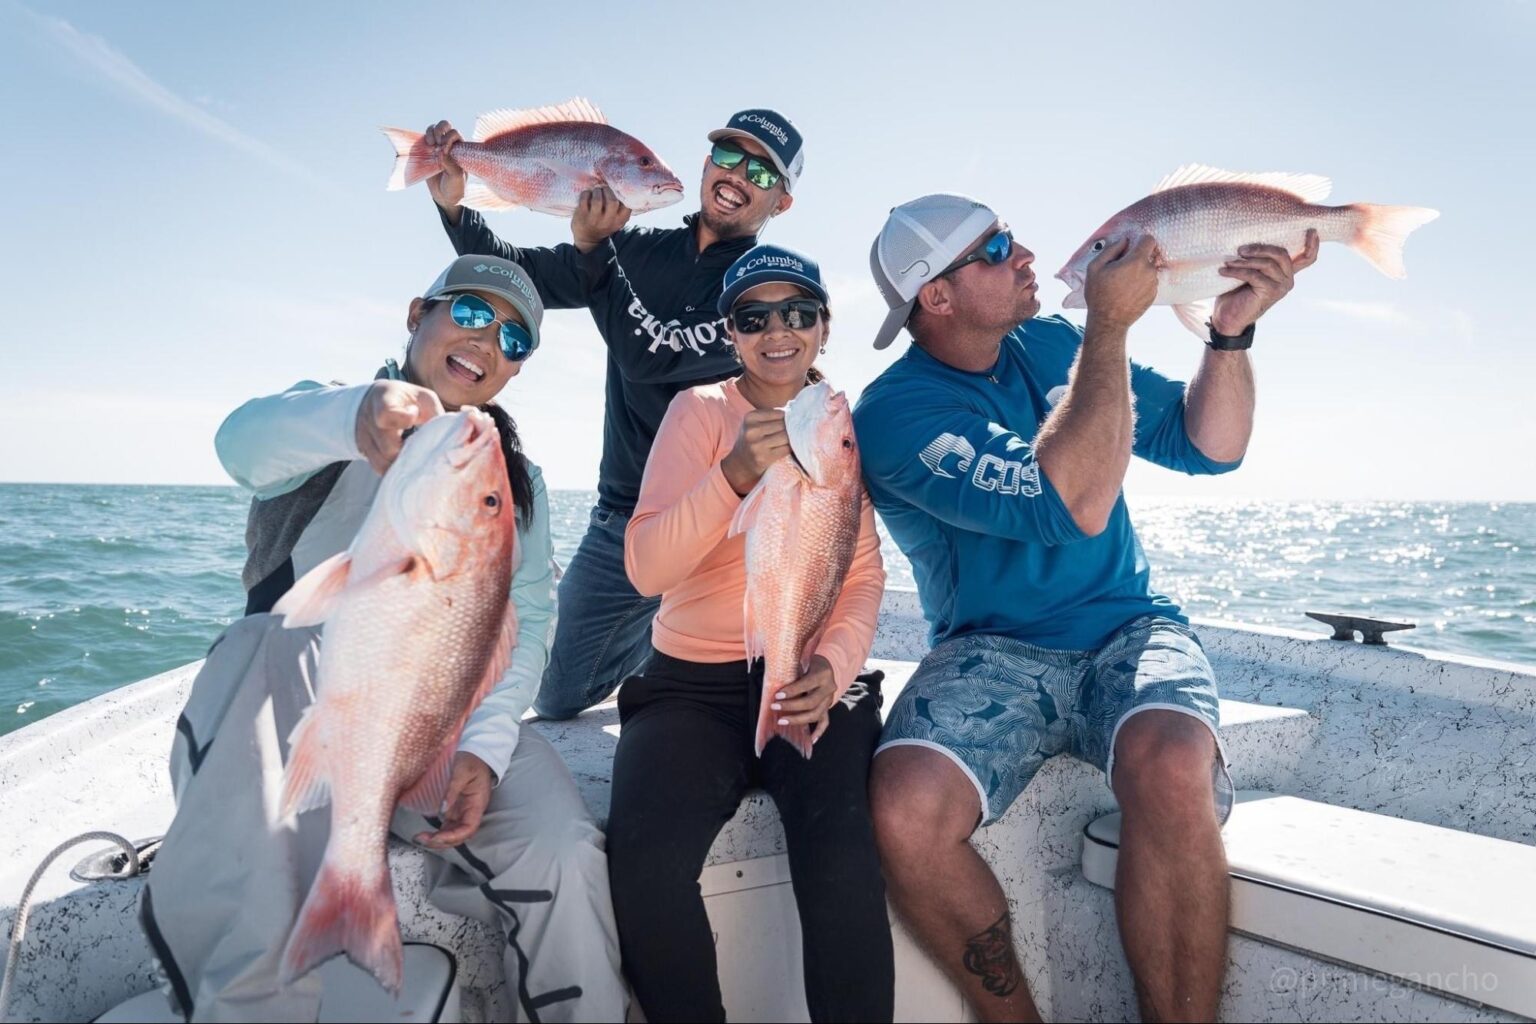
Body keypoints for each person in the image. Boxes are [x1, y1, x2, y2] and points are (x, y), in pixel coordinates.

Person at [853, 193, 1318, 1022]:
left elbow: (1210, 446)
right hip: (991, 648)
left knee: (1174, 760)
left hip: (1127, 627)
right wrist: (1108, 330)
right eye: (994, 249)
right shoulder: (895, 416)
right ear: (937, 296)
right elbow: (1067, 504)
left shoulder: (1050, 342)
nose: (1025, 251)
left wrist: (1229, 333)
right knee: (905, 807)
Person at [140, 254, 625, 1022]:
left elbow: (528, 622)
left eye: (515, 338)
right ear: (416, 315)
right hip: (301, 726)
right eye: (469, 313)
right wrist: (352, 414)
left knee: (560, 843)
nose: (487, 340)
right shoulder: (328, 414)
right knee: (263, 646)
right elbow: (239, 445)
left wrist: (485, 746)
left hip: (437, 725)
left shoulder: (507, 479)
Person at [421, 108, 806, 721]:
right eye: (729, 157)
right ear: (707, 166)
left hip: (726, 525)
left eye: (761, 170)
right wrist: (454, 209)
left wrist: (597, 253)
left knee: (753, 686)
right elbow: (522, 278)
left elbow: (649, 357)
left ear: (780, 202)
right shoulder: (633, 251)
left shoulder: (759, 293)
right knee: (554, 693)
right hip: (624, 518)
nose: (739, 174)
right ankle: (658, 634)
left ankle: (675, 636)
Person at [605, 245, 894, 1021]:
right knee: (643, 862)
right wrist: (731, 474)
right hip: (689, 691)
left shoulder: (836, 425)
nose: (778, 330)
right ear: (729, 332)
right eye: (753, 315)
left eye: (799, 312)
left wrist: (833, 667)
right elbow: (644, 568)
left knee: (843, 860)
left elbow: (861, 576)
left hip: (804, 675)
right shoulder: (697, 413)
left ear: (825, 329)